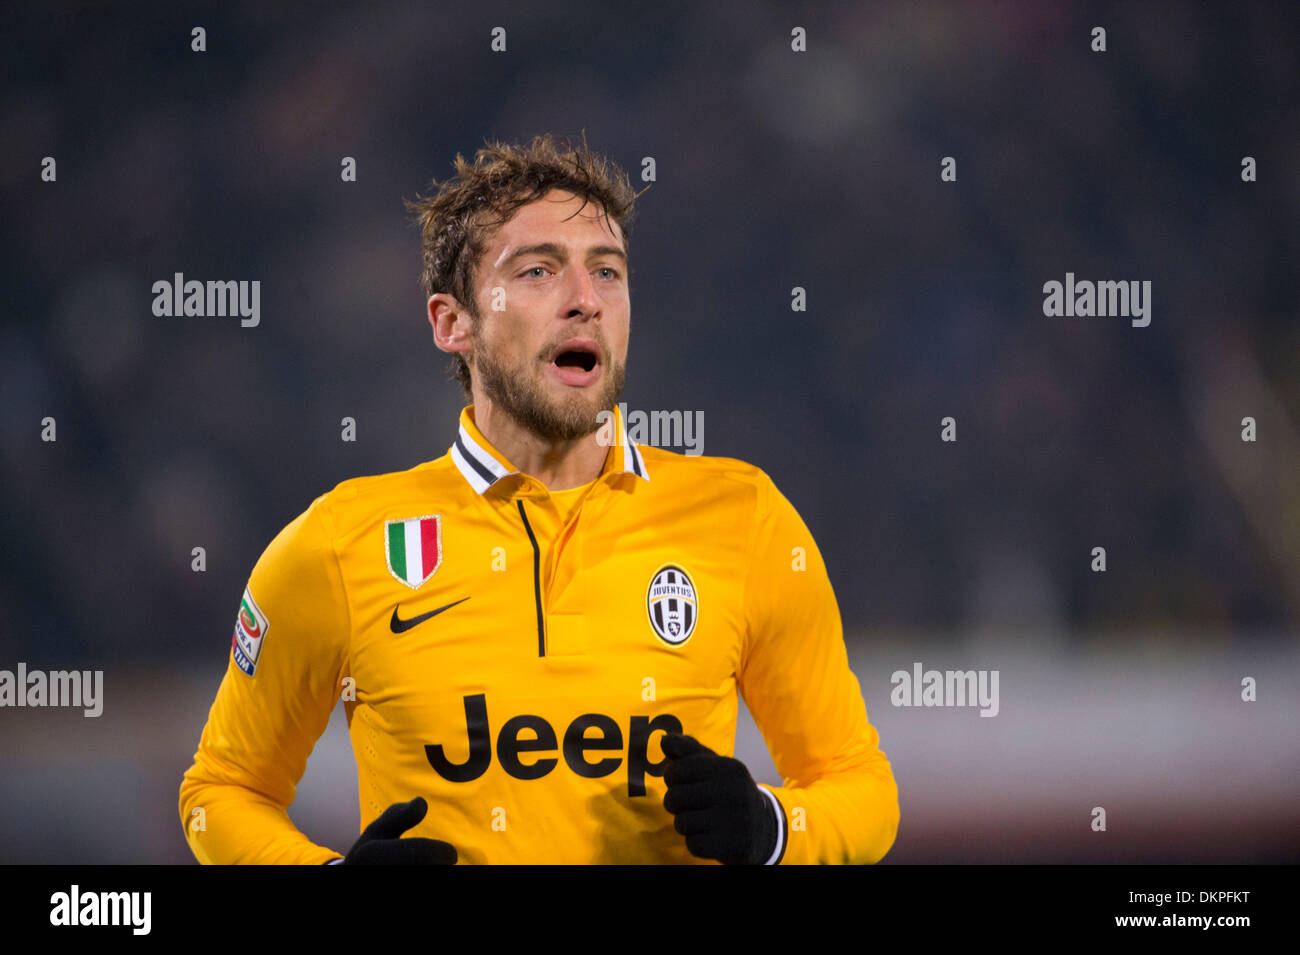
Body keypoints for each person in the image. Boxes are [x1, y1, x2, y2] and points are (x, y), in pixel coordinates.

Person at [178, 134, 899, 864]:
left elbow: (861, 786)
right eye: (537, 270)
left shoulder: (743, 518)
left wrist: (772, 829)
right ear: (452, 322)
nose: (585, 300)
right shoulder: (339, 542)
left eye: (607, 272)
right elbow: (220, 791)